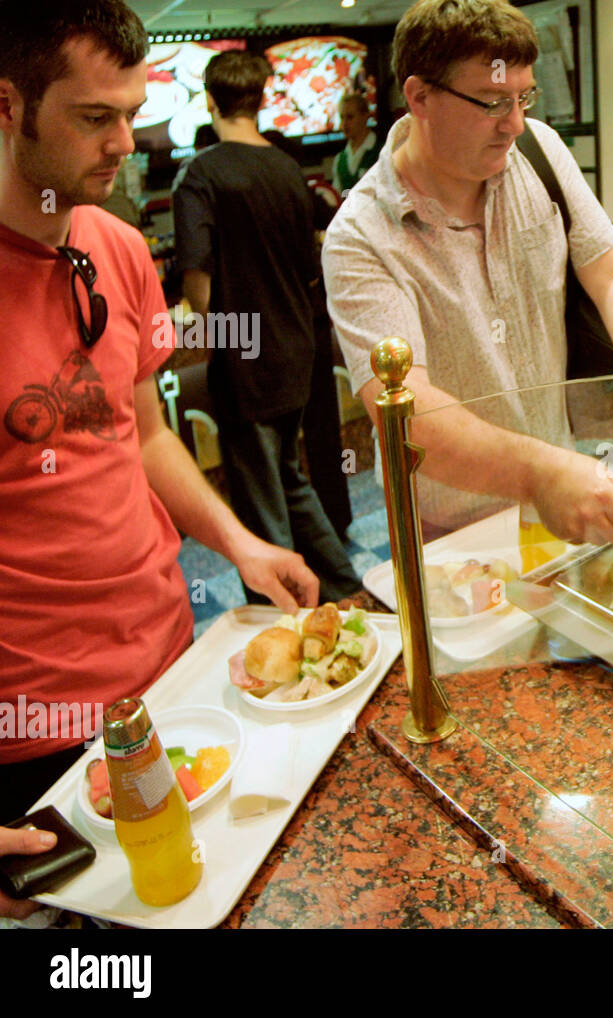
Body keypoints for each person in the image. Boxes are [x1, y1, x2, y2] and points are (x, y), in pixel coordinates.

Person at [0, 0, 318, 913]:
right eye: (94, 118)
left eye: (132, 116)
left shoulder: (118, 246)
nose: (123, 144)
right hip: (37, 728)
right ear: (10, 105)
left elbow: (140, 436)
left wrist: (241, 544)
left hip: (171, 665)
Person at [323, 0, 613, 546]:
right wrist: (538, 472)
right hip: (451, 526)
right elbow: (409, 414)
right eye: (493, 102)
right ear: (420, 96)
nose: (515, 124)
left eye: (524, 97)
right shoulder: (361, 236)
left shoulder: (539, 152)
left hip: (564, 491)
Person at [173, 50, 361, 604]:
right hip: (297, 349)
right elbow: (308, 266)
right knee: (288, 480)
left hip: (247, 359)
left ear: (209, 101)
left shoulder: (200, 175)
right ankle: (350, 591)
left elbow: (196, 286)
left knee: (259, 502)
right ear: (259, 101)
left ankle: (287, 622)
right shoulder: (286, 170)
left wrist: (219, 336)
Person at [332, 92, 380, 196]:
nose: (344, 124)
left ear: (365, 116)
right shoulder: (340, 160)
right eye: (342, 118)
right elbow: (339, 197)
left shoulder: (382, 152)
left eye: (350, 117)